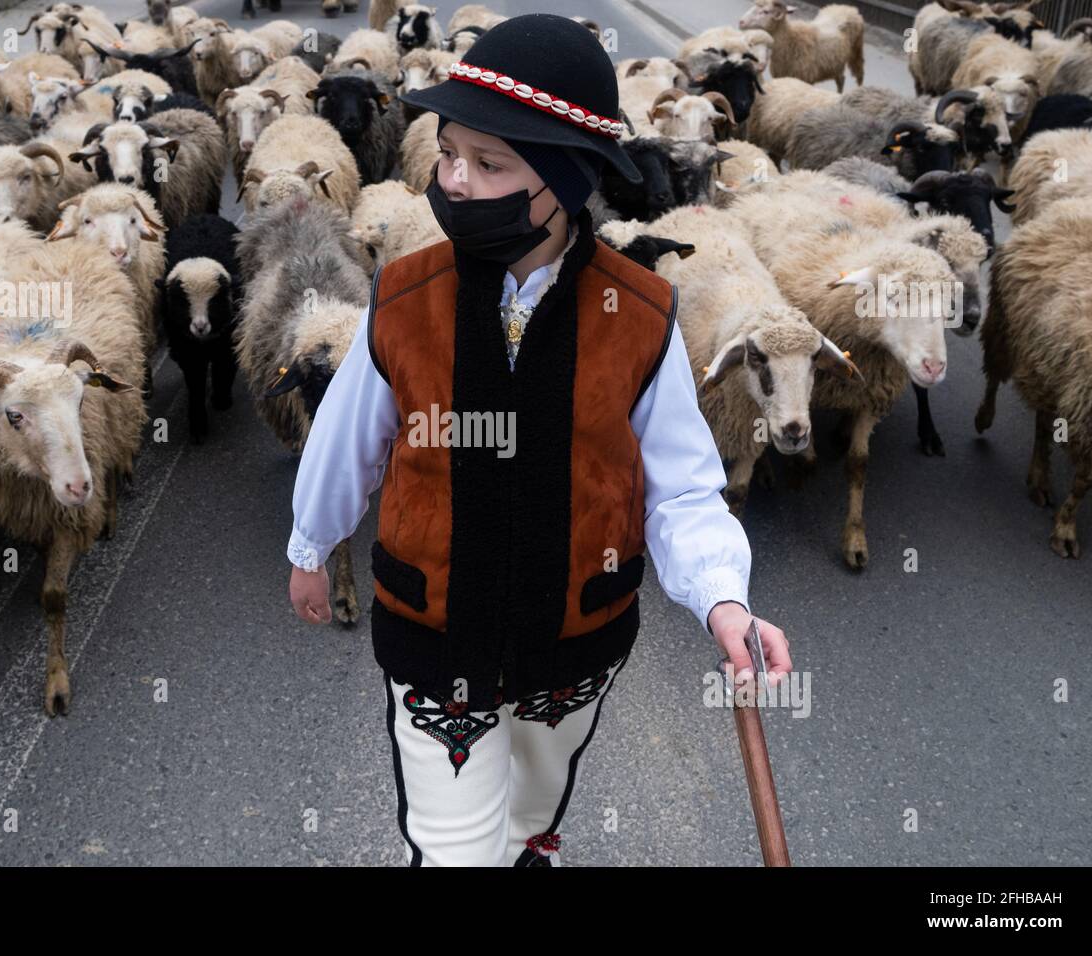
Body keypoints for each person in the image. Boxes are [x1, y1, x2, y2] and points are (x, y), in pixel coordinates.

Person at [285, 13, 791, 866]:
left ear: (564, 174)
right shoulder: (406, 298)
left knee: (531, 817)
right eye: (449, 154)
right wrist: (311, 541)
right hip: (436, 628)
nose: (456, 180)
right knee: (452, 848)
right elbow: (351, 437)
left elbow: (682, 486)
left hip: (573, 642)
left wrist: (722, 598)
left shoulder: (638, 315)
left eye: (490, 164)